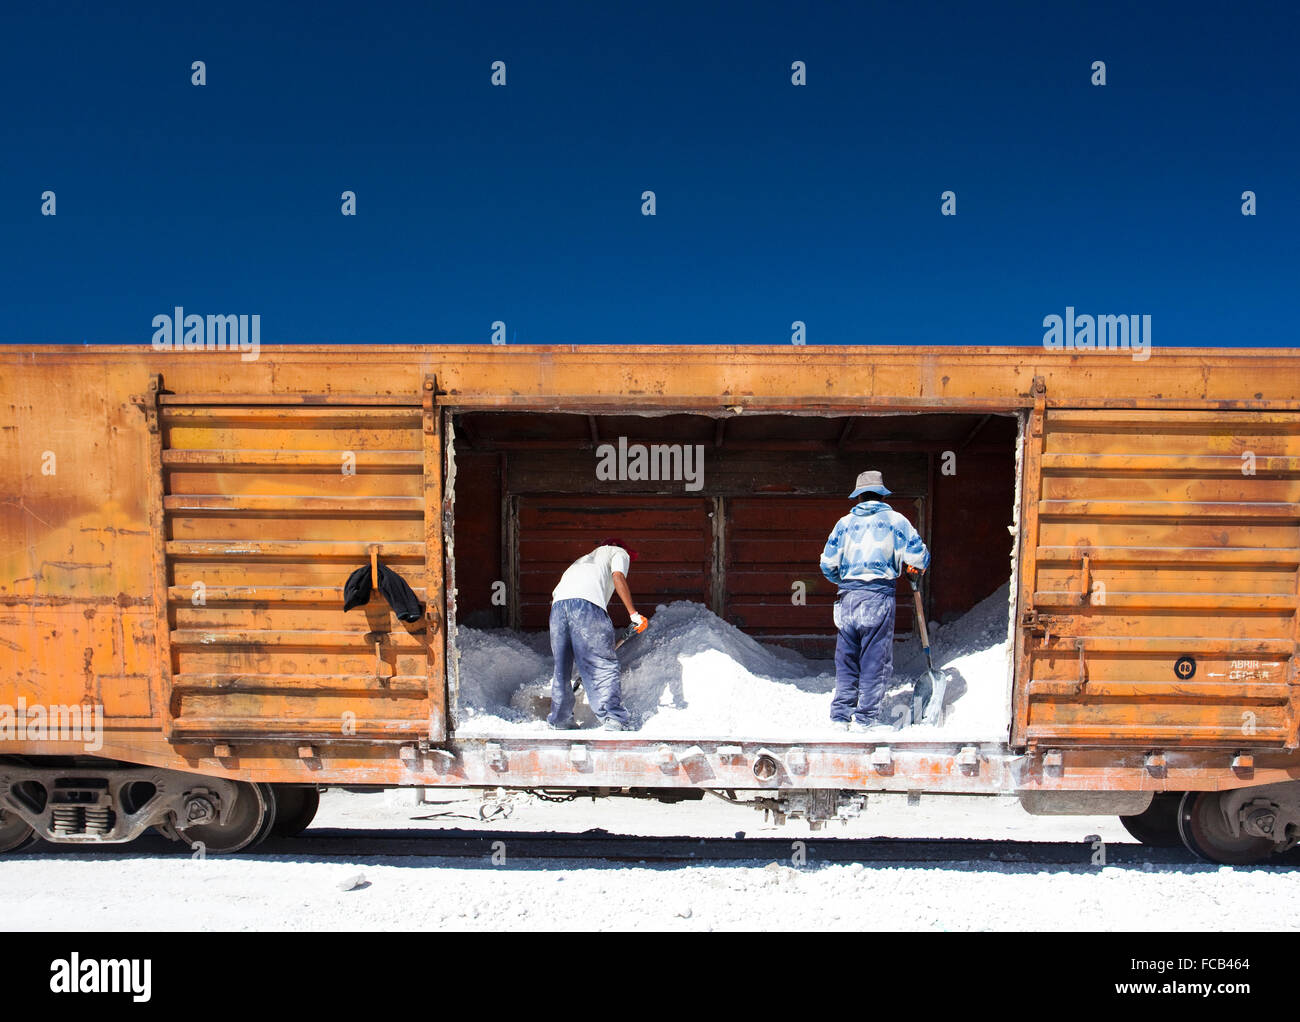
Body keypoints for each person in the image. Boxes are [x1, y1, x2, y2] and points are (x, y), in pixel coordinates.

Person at [819, 470, 930, 732]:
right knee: (874, 659)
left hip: (847, 598)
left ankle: (840, 717)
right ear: (882, 495)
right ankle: (866, 719)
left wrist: (844, 579)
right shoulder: (896, 521)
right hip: (878, 596)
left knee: (846, 657)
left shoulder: (843, 524)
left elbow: (826, 564)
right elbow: (919, 557)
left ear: (858, 497)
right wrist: (913, 568)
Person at [547, 538, 646, 731]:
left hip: (558, 610)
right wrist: (634, 614)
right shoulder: (618, 552)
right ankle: (613, 718)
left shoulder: (581, 561)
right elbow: (618, 576)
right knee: (601, 663)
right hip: (586, 606)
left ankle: (560, 719)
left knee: (562, 667)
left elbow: (557, 595)